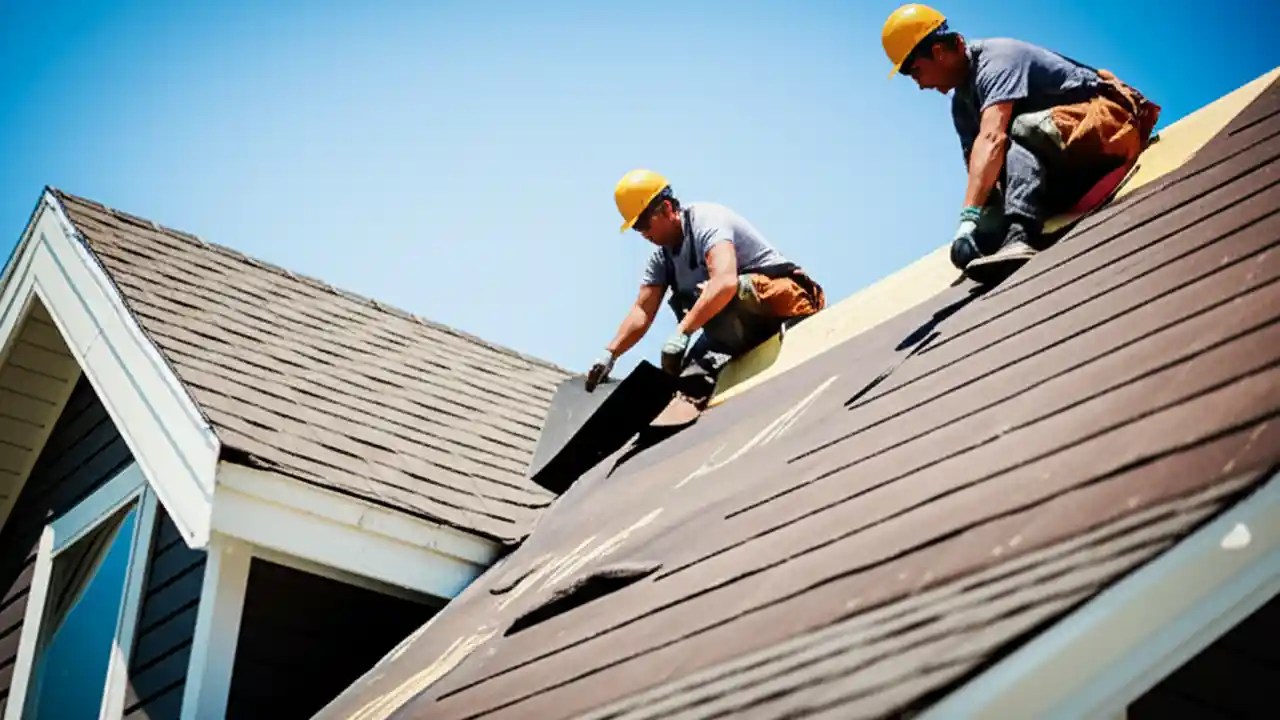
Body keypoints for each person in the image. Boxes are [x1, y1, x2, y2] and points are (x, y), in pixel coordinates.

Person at [881, 4, 1160, 282]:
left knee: (1018, 129)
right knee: (988, 228)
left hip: (1110, 128)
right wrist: (979, 235)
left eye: (916, 71)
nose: (919, 84)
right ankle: (1011, 232)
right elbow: (983, 173)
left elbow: (993, 138)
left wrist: (967, 220)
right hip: (1064, 162)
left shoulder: (998, 60)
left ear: (939, 52)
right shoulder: (961, 107)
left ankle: (1020, 233)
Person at [584, 169, 825, 405]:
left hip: (784, 299)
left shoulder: (707, 222)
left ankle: (795, 325)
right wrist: (610, 354)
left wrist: (682, 332)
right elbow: (643, 310)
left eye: (645, 223)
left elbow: (725, 283)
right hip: (740, 326)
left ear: (667, 208)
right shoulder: (662, 260)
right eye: (637, 228)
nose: (643, 233)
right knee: (686, 377)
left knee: (736, 290)